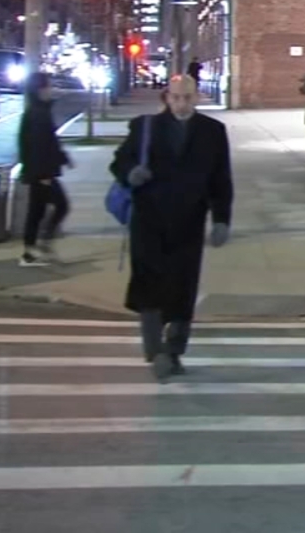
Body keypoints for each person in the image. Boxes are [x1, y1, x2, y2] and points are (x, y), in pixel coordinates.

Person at [111, 75, 233, 382]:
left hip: (189, 221)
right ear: (167, 97)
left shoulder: (213, 132)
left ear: (197, 97)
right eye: (176, 97)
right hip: (148, 219)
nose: (181, 104)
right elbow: (119, 162)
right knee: (148, 284)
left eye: (188, 97)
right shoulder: (145, 127)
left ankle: (175, 349)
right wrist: (131, 173)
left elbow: (221, 179)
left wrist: (221, 219)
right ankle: (155, 351)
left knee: (182, 288)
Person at [18, 72, 71, 267]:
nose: (52, 89)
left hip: (40, 171)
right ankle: (41, 245)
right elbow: (36, 146)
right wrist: (43, 174)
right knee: (60, 205)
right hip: (41, 172)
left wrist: (63, 158)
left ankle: (31, 251)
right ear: (40, 90)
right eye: (49, 86)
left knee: (37, 211)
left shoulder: (40, 111)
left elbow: (50, 142)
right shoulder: (36, 114)